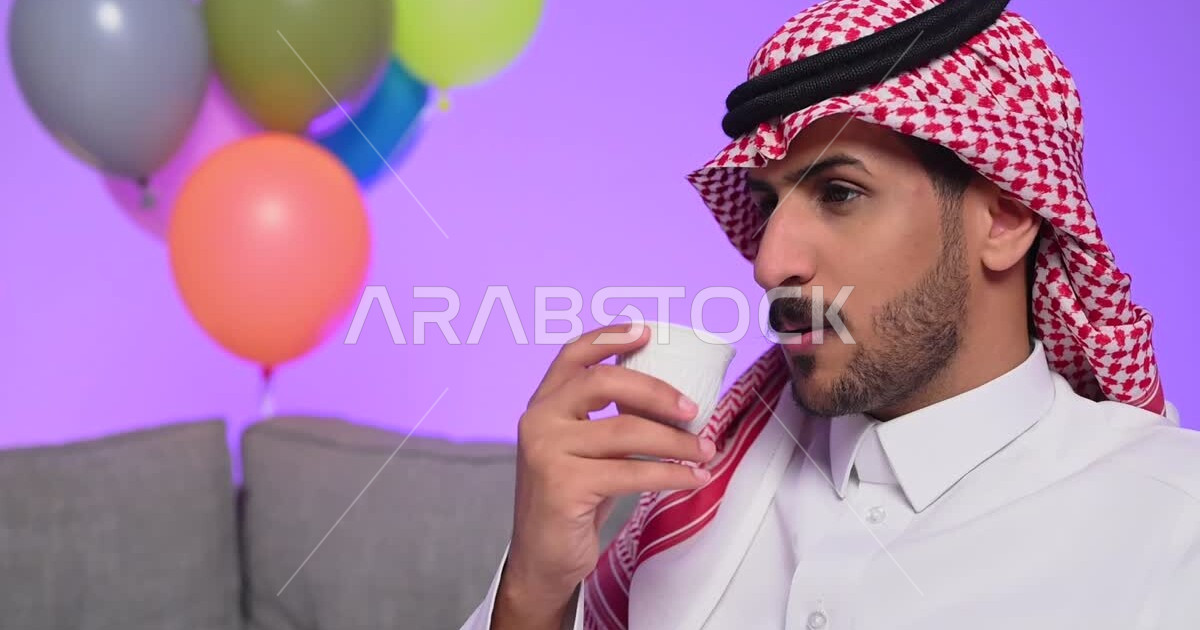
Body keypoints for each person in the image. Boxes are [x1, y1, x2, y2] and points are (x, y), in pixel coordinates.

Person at [460, 0, 1198, 628]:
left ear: (1004, 218)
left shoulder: (1172, 527)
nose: (769, 261)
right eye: (768, 203)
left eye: (839, 193)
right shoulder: (698, 491)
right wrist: (532, 593)